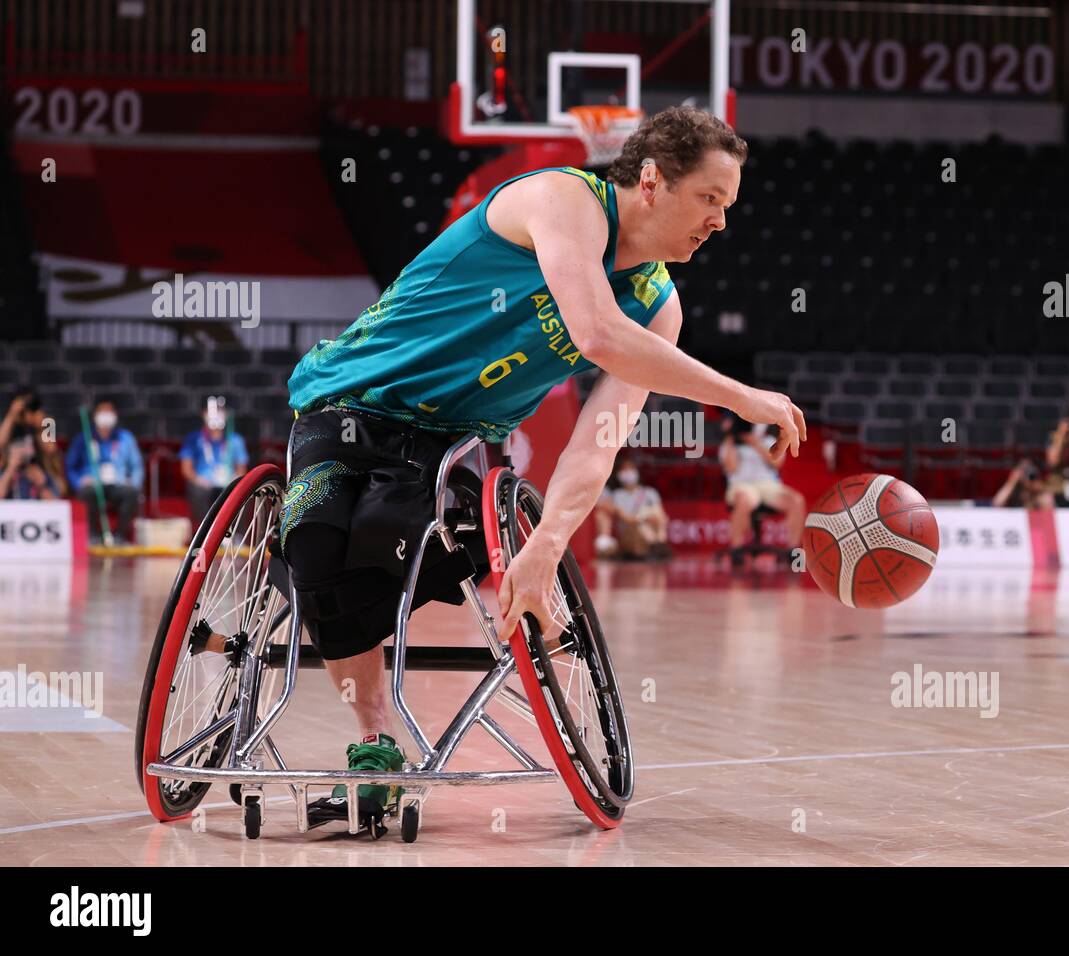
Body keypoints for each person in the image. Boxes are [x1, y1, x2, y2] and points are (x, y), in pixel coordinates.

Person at [221, 106, 804, 825]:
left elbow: (599, 439)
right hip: (353, 397)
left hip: (453, 439)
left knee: (389, 547)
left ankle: (375, 730)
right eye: (710, 199)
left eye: (728, 205)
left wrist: (544, 550)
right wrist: (744, 396)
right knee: (314, 538)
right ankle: (372, 741)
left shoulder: (657, 307)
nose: (720, 222)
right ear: (651, 180)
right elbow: (594, 334)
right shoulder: (563, 200)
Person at [719, 416, 806, 565]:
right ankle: (737, 549)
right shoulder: (728, 445)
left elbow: (777, 462)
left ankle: (793, 552)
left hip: (768, 486)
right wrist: (730, 436)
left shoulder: (768, 442)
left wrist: (754, 442)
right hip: (741, 485)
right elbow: (731, 467)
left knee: (796, 501)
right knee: (745, 499)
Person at [65, 399, 145, 543]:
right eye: (103, 411)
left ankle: (120, 536)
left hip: (118, 483)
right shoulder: (84, 437)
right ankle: (93, 535)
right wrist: (79, 481)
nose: (106, 416)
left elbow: (137, 466)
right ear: (95, 415)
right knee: (85, 492)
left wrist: (133, 482)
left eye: (110, 412)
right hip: (93, 483)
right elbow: (71, 466)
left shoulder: (126, 438)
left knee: (132, 493)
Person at [179, 397, 250, 526]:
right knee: (197, 491)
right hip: (203, 483)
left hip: (228, 482)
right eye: (211, 411)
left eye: (220, 410)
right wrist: (197, 480)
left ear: (226, 414)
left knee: (242, 490)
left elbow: (241, 468)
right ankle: (204, 530)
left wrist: (234, 479)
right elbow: (186, 468)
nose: (215, 415)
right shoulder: (193, 439)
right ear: (203, 414)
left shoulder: (236, 440)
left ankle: (235, 534)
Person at [594, 453, 672, 559]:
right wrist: (625, 514)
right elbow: (601, 505)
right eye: (624, 469)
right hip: (629, 532)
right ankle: (652, 546)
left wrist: (654, 519)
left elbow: (662, 518)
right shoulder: (615, 495)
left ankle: (656, 544)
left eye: (631, 468)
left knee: (655, 513)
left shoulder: (650, 492)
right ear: (618, 473)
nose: (628, 472)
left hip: (652, 531)